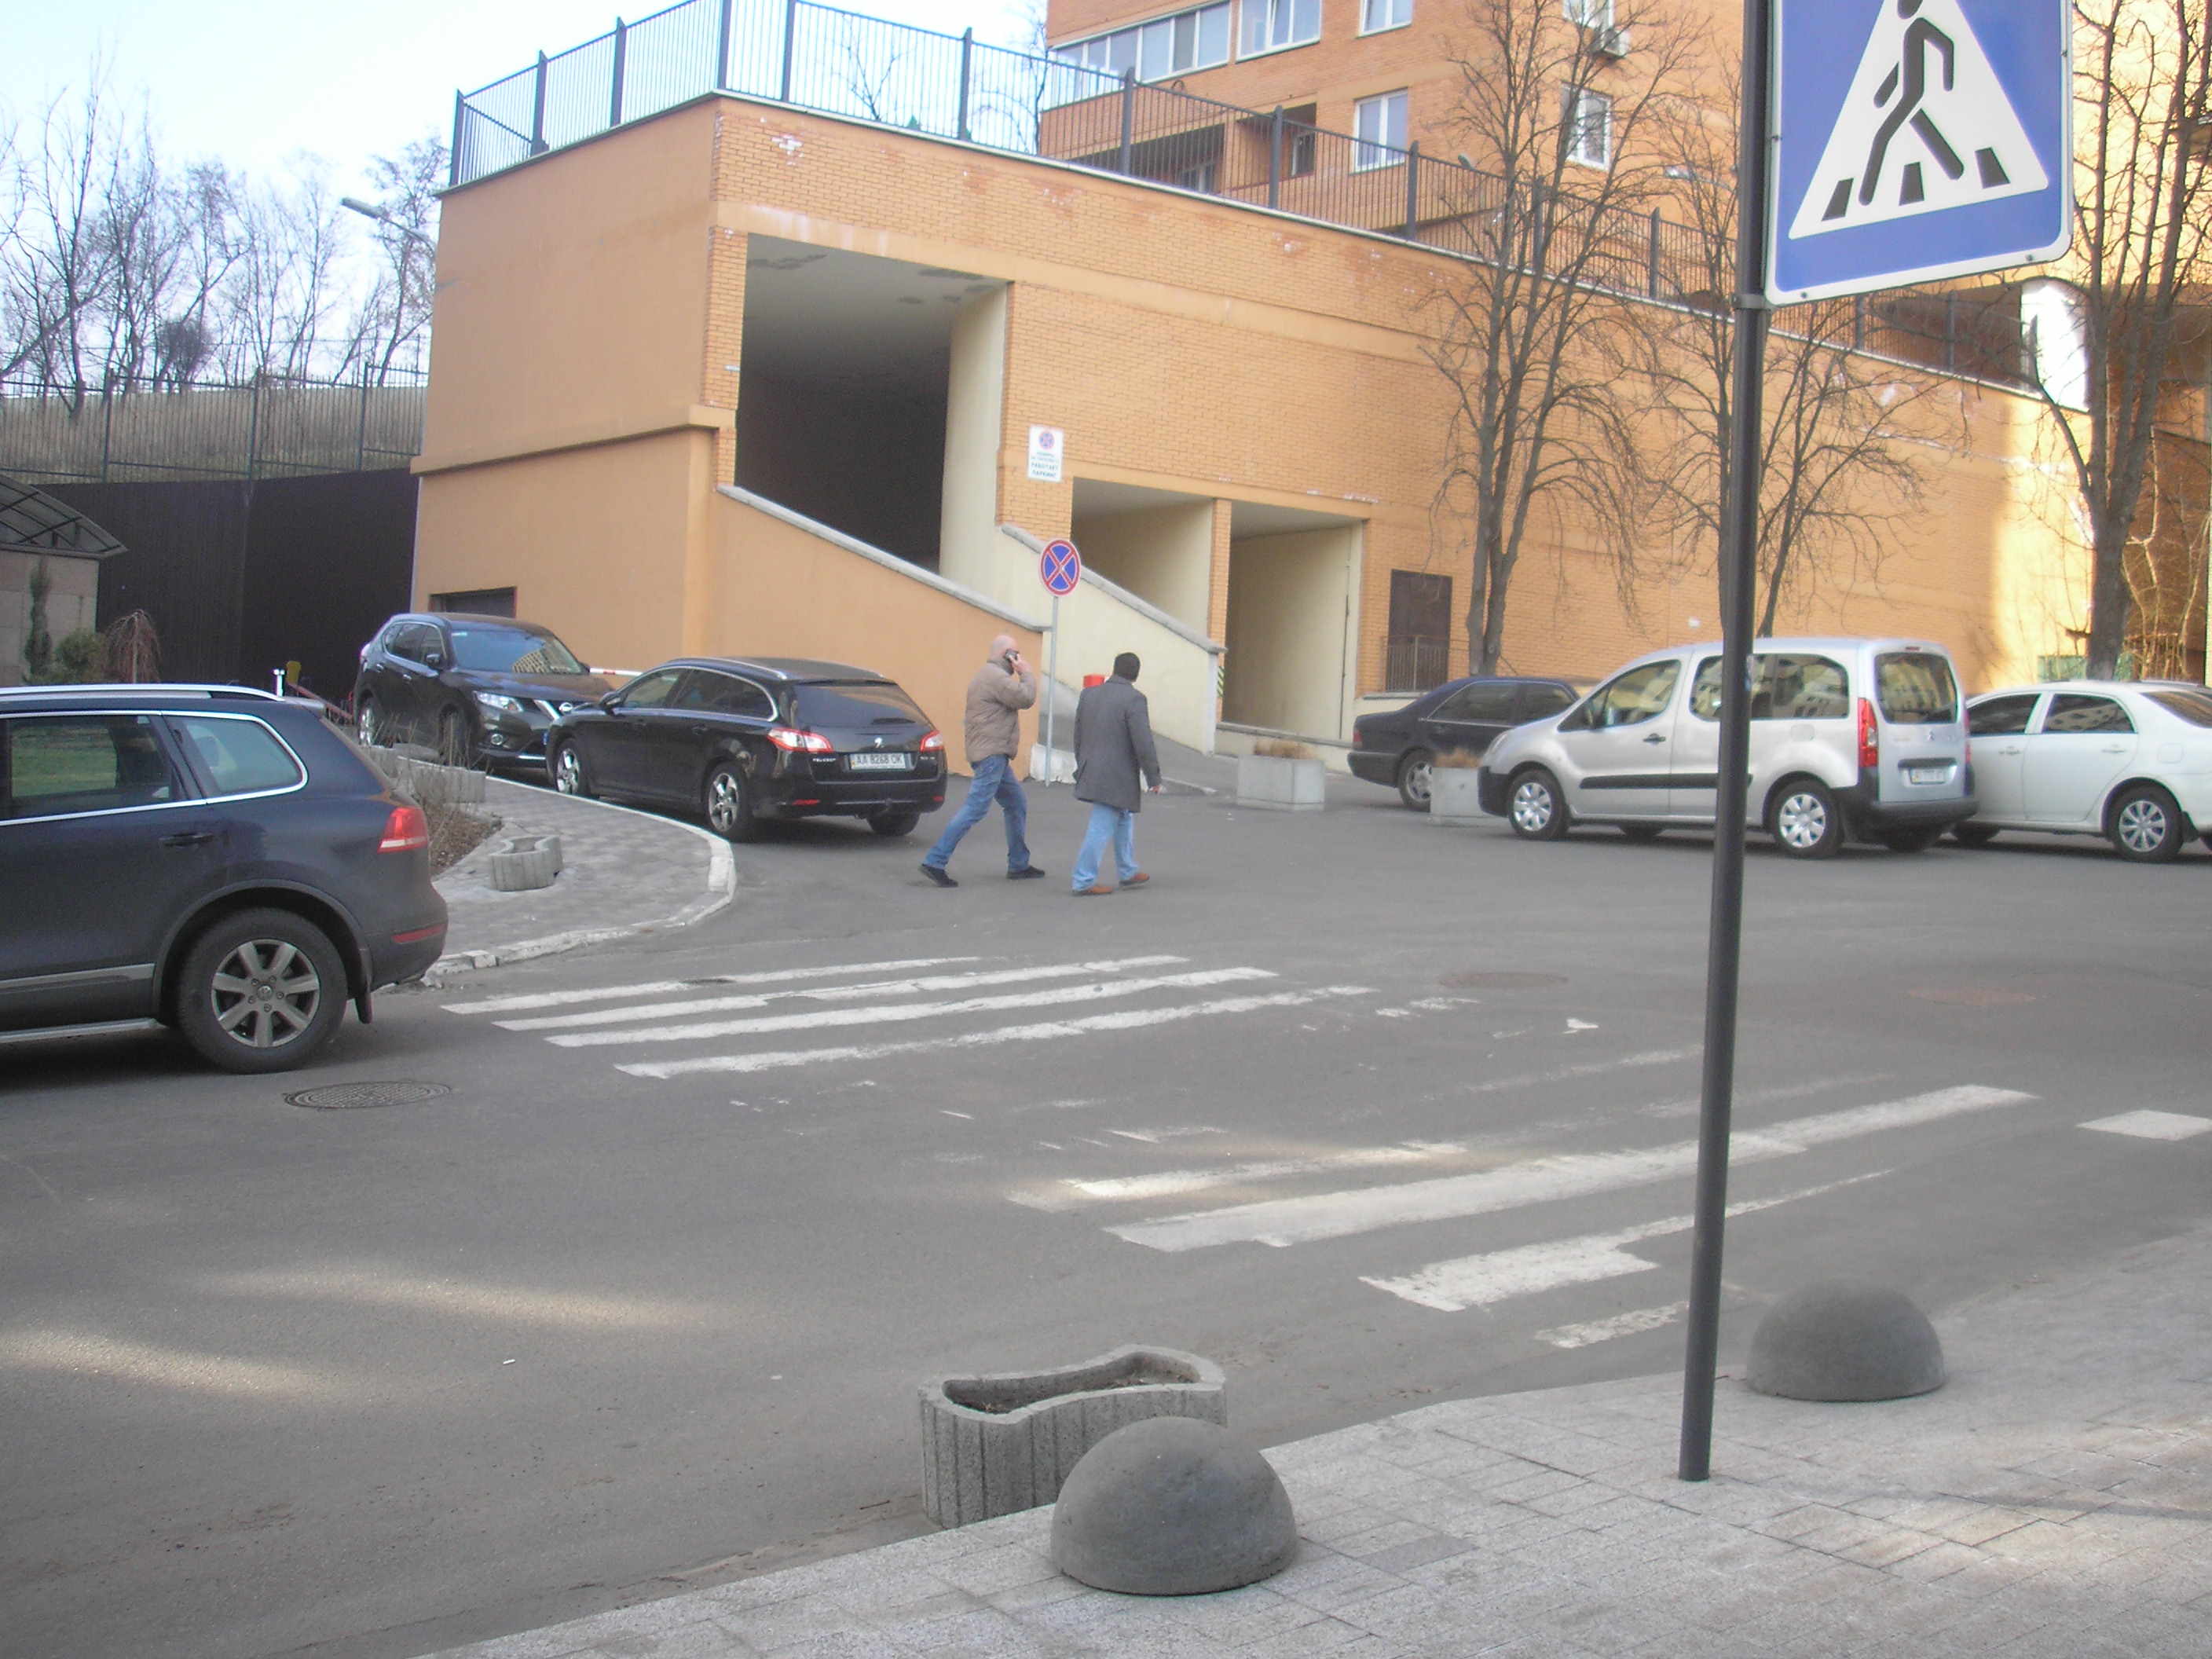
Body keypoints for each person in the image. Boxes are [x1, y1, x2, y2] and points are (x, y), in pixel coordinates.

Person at [921, 635, 1044, 887]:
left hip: (993, 753)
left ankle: (1019, 863)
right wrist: (1027, 673)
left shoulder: (989, 675)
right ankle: (935, 860)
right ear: (1006, 654)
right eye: (1015, 654)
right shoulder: (996, 677)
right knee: (975, 808)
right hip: (991, 755)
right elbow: (1025, 698)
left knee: (1016, 802)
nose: (1018, 658)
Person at [1070, 651, 1162, 896]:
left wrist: (1082, 765)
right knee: (1101, 826)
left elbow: (1078, 734)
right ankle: (1084, 879)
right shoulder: (1134, 700)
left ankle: (1128, 870)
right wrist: (1153, 778)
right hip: (1116, 776)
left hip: (1092, 768)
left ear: (1115, 669)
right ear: (1136, 674)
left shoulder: (1089, 694)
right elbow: (1143, 742)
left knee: (1123, 818)